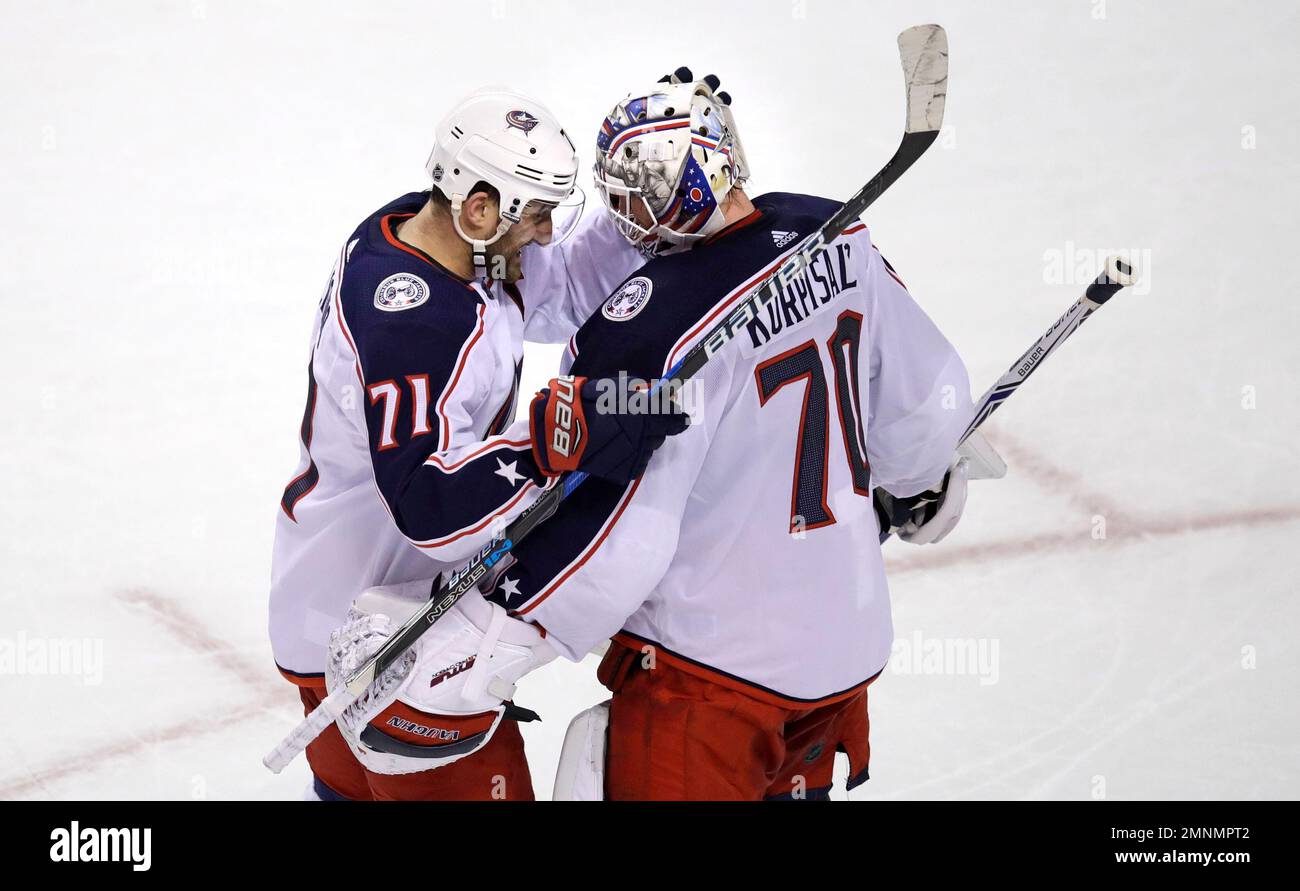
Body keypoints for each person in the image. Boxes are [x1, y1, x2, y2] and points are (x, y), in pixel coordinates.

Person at [474, 75, 975, 799]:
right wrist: (919, 480)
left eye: (638, 195)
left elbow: (619, 547)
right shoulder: (835, 232)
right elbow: (927, 411)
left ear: (693, 185)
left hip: (707, 682)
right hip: (841, 654)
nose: (625, 223)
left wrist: (497, 626)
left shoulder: (643, 328)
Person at [268, 87, 671, 801]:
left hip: (342, 610)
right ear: (479, 208)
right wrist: (551, 439)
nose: (546, 234)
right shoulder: (415, 326)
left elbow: (561, 286)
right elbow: (429, 506)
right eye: (537, 215)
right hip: (379, 645)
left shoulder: (443, 239)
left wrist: (644, 210)